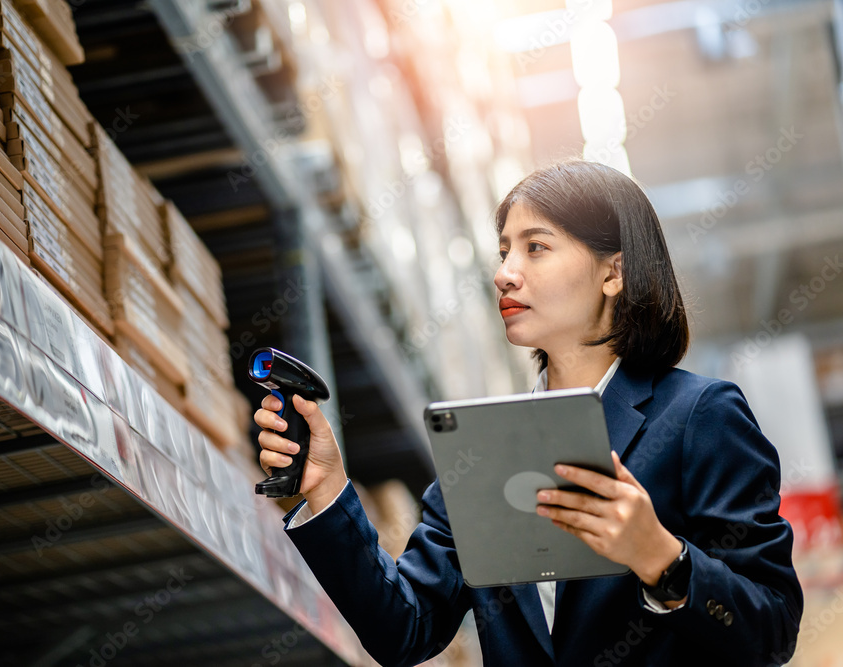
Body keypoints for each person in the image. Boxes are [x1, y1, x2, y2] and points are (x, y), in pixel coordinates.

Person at [253, 160, 803, 666]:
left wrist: (661, 558)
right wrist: (326, 488)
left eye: (536, 247)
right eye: (503, 251)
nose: (504, 273)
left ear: (614, 272)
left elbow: (772, 629)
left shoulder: (698, 417)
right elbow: (404, 629)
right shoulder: (481, 446)